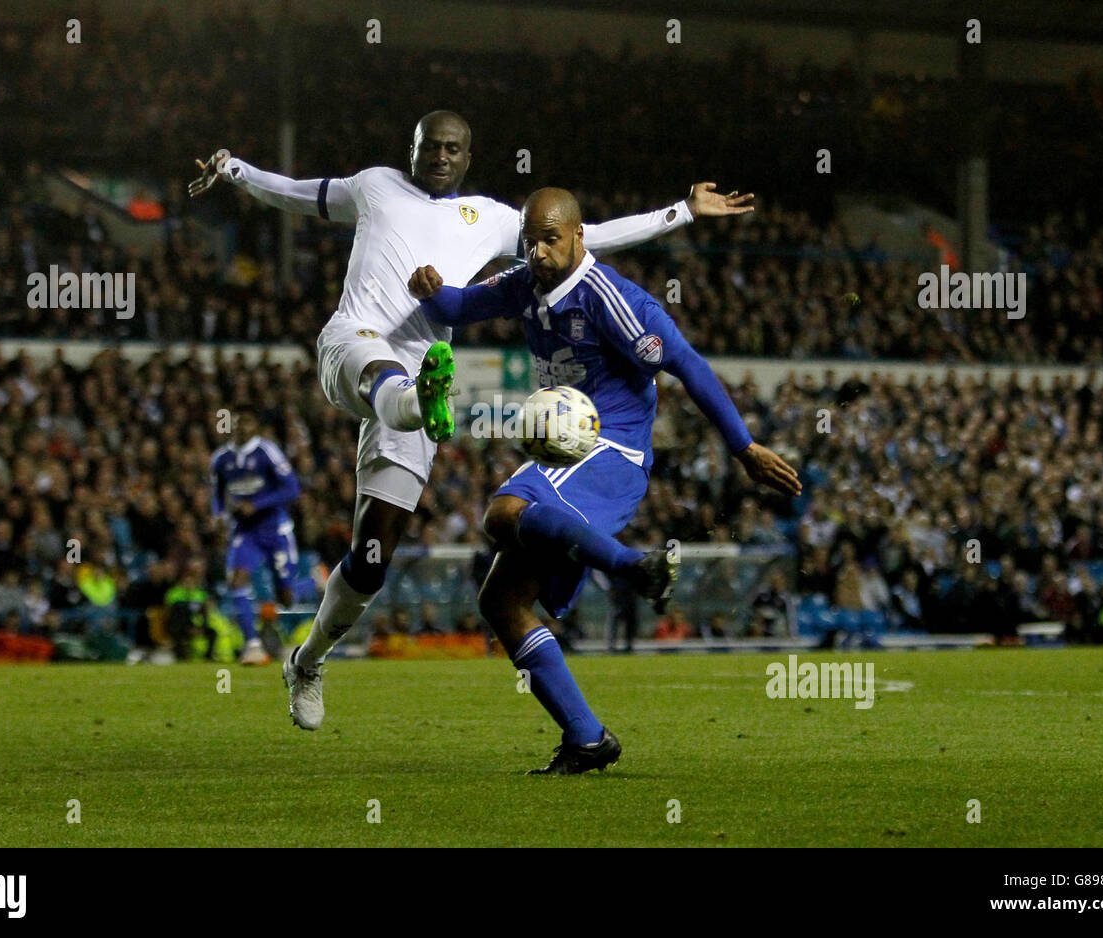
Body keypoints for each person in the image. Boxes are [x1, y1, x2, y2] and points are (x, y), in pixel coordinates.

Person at [191, 110, 756, 728]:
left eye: (452, 149)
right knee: (385, 373)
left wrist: (680, 211)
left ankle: (306, 659)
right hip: (354, 342)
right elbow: (300, 194)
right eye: (429, 145)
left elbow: (584, 234)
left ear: (467, 157)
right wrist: (237, 170)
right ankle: (416, 401)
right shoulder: (374, 185)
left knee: (373, 557)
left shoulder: (490, 219)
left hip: (421, 366)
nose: (440, 156)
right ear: (411, 149)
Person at [409, 186, 801, 773]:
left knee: (502, 513)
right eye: (531, 241)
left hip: (609, 449)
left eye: (551, 239)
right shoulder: (525, 284)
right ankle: (587, 738)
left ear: (578, 236)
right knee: (502, 601)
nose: (539, 252)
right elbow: (459, 308)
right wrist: (433, 291)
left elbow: (686, 363)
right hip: (567, 450)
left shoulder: (610, 299)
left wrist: (743, 447)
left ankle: (630, 567)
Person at [210, 406, 301, 665]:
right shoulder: (221, 459)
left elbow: (292, 489)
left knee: (286, 596)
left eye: (246, 421)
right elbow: (217, 494)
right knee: (236, 580)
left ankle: (314, 583)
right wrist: (218, 515)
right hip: (245, 532)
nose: (240, 426)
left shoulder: (267, 452)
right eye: (237, 421)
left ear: (256, 427)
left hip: (275, 529)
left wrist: (258, 504)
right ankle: (252, 646)